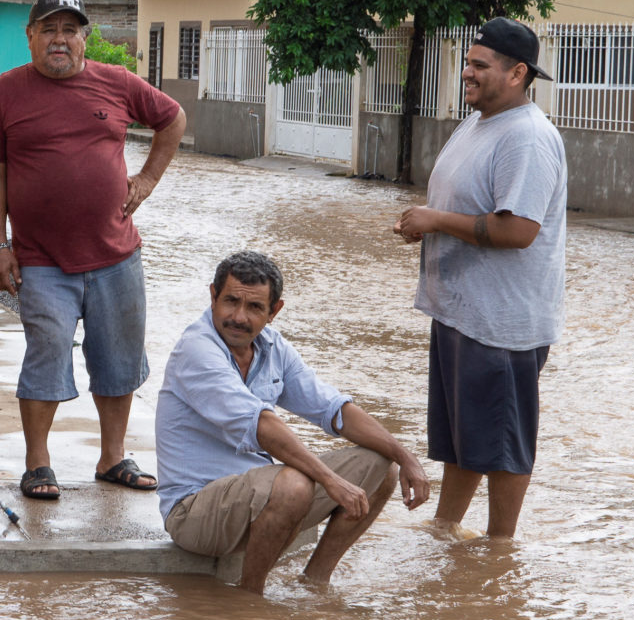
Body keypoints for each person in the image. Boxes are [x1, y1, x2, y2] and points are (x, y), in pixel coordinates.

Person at [0, 0, 186, 501]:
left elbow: (172, 119)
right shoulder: (2, 93)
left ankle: (112, 457)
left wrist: (145, 180)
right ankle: (37, 464)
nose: (59, 39)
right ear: (30, 37)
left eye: (70, 30)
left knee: (118, 359)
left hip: (117, 254)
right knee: (45, 352)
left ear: (84, 39)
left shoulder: (116, 82)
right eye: (49, 29)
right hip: (40, 258)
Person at [155, 251, 431, 593]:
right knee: (293, 485)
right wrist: (330, 480)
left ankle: (315, 583)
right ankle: (250, 597)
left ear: (275, 311)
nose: (238, 317)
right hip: (194, 512)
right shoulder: (197, 349)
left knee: (379, 465)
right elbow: (262, 425)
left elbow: (333, 409)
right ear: (213, 296)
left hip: (254, 498)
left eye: (254, 307)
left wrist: (405, 456)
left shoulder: (272, 348)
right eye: (230, 302)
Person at [394, 16, 567, 540]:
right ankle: (445, 527)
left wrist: (436, 220)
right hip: (461, 311)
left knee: (505, 443)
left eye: (478, 65)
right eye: (467, 63)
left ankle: (499, 549)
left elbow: (519, 230)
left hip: (501, 322)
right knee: (463, 435)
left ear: (517, 73)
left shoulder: (527, 139)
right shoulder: (479, 123)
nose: (466, 73)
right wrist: (428, 221)